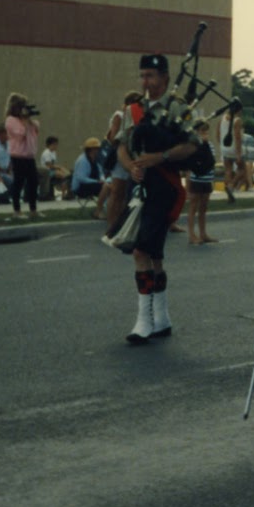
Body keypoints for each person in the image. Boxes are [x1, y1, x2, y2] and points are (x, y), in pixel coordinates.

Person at [117, 53, 200, 344]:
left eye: (150, 76)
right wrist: (132, 167)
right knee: (153, 254)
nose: (145, 82)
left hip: (165, 185)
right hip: (139, 184)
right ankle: (161, 316)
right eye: (142, 76)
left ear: (165, 78)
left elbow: (193, 146)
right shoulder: (134, 109)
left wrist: (160, 157)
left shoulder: (178, 108)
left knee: (141, 251)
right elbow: (122, 146)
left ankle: (144, 320)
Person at [100, 92, 141, 231]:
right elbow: (113, 138)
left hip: (131, 156)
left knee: (124, 193)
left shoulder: (136, 118)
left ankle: (120, 223)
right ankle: (111, 224)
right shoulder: (120, 116)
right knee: (117, 191)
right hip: (119, 157)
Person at [4, 94, 43, 219]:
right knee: (18, 183)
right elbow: (20, 134)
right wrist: (25, 122)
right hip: (18, 156)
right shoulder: (10, 120)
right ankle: (17, 211)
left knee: (33, 183)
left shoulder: (28, 121)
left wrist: (29, 120)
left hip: (29, 156)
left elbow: (36, 130)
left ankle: (33, 209)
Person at [185, 122, 219, 244]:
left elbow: (211, 163)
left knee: (203, 208)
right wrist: (188, 187)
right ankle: (191, 234)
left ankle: (203, 233)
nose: (204, 134)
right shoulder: (194, 146)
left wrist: (212, 180)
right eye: (202, 132)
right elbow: (189, 167)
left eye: (206, 132)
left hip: (207, 180)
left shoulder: (210, 146)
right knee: (193, 207)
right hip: (196, 180)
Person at [71, 137, 105, 201]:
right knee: (105, 188)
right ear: (91, 149)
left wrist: (103, 179)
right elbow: (81, 178)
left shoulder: (97, 160)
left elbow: (101, 173)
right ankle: (103, 207)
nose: (99, 150)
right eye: (97, 148)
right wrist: (97, 181)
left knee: (109, 186)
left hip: (93, 184)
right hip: (81, 187)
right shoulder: (82, 160)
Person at [40, 135, 69, 201]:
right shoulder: (46, 153)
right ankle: (64, 195)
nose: (56, 146)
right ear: (52, 144)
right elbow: (49, 165)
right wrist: (60, 168)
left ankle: (65, 194)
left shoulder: (53, 152)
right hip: (47, 172)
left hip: (52, 171)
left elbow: (54, 165)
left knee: (67, 175)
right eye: (56, 144)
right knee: (63, 175)